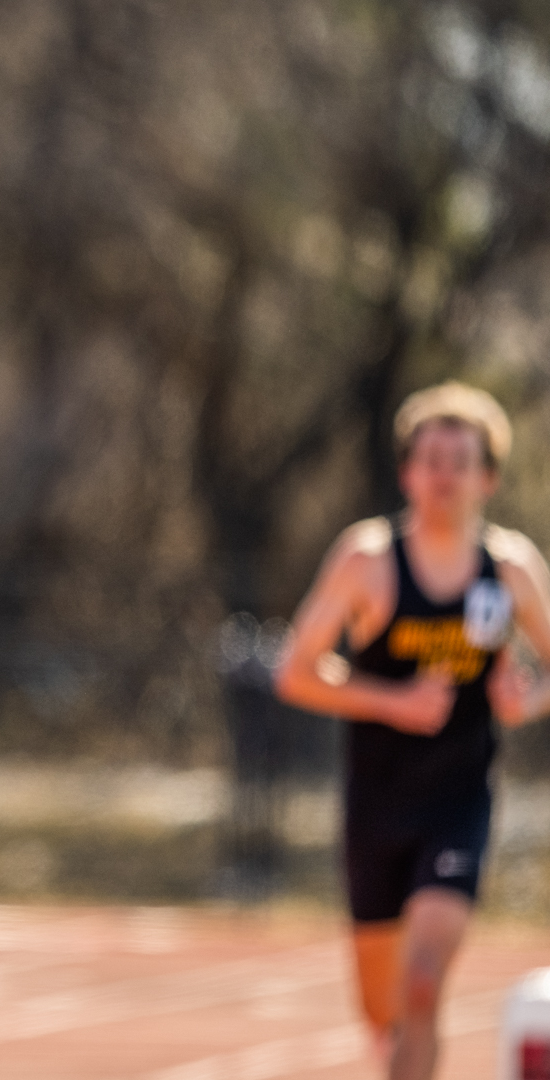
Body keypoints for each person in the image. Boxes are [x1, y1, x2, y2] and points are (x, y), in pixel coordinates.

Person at [275, 382, 550, 1080]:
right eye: (431, 459)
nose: (444, 475)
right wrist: (389, 700)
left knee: (422, 982)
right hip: (376, 806)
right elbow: (295, 671)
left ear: (487, 477)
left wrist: (527, 700)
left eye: (461, 460)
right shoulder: (366, 560)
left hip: (457, 805)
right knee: (382, 1007)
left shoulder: (511, 569)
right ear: (406, 473)